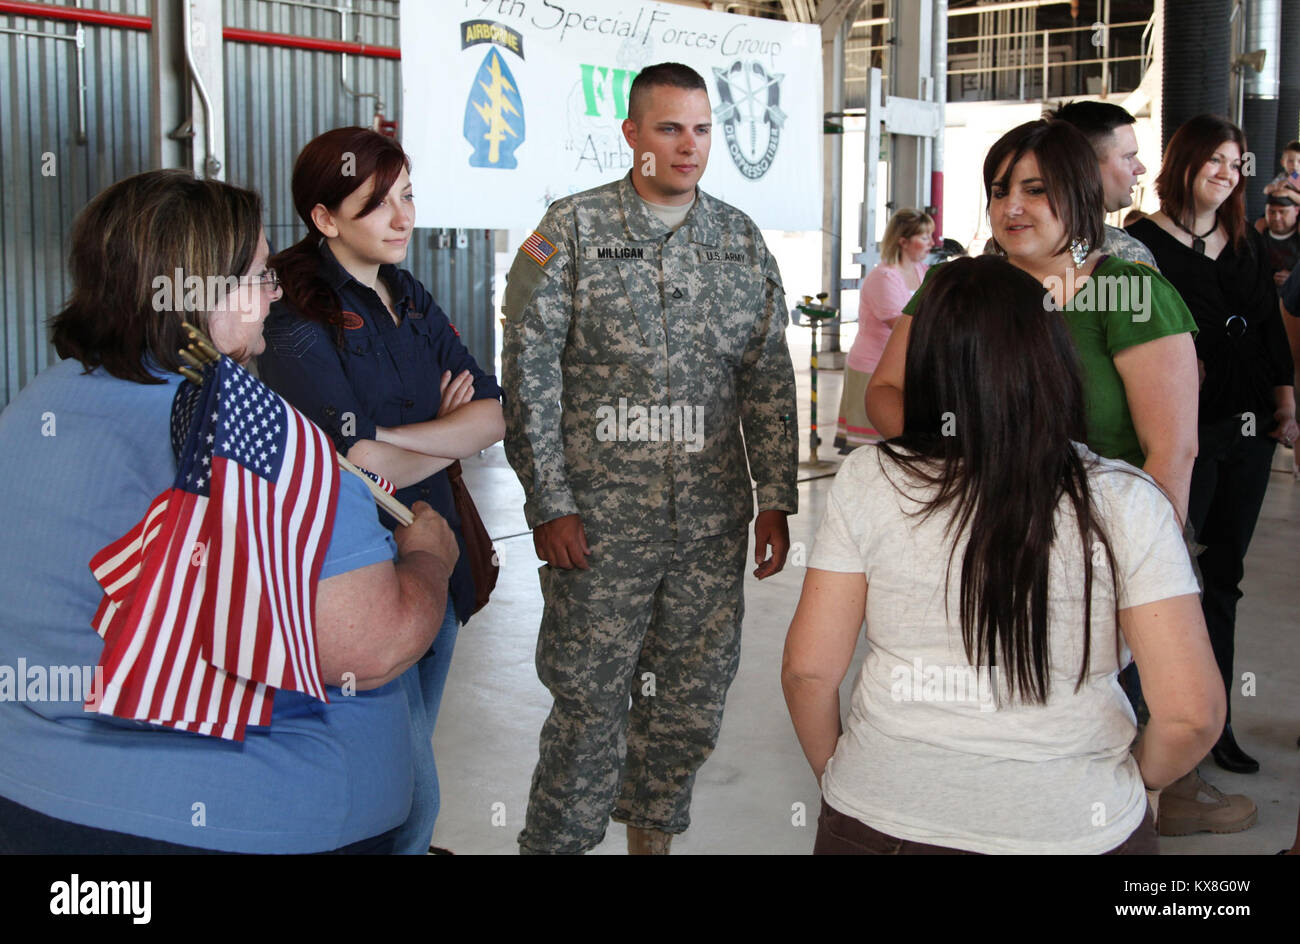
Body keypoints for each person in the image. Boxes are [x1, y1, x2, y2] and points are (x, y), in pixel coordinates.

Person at [0, 170, 458, 853]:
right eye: (260, 277)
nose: (274, 295)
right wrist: (427, 559)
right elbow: (374, 647)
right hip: (246, 823)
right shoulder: (263, 436)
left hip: (34, 800)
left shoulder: (33, 407)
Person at [782, 255, 1224, 855]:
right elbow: (1191, 715)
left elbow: (809, 672)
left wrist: (845, 778)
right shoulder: (1126, 500)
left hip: (883, 818)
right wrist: (1136, 786)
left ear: (928, 362)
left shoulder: (869, 480)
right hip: (1077, 825)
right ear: (1053, 359)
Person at [501, 62, 798, 855]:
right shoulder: (568, 232)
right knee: (589, 707)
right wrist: (550, 503)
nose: (688, 147)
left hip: (709, 527)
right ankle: (555, 847)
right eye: (669, 128)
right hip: (599, 530)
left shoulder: (739, 241)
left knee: (690, 705)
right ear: (631, 134)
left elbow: (768, 375)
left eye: (702, 129)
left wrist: (776, 495)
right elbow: (527, 377)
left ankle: (652, 845)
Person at [257, 127, 504, 855]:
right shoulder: (294, 313)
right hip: (355, 572)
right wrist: (439, 425)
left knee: (412, 746)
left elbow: (492, 410)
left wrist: (407, 435)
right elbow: (352, 461)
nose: (403, 219)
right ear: (324, 218)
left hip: (438, 555)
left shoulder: (405, 292)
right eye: (377, 205)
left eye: (407, 197)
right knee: (404, 784)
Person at [869, 119, 1199, 523]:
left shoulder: (1129, 293)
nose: (1011, 207)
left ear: (1079, 193)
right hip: (968, 523)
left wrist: (1146, 555)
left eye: (1036, 190)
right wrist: (948, 463)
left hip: (1100, 533)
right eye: (999, 191)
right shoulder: (953, 285)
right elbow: (885, 389)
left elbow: (1172, 453)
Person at [1128, 114, 1298, 780]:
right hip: (1178, 433)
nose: (1228, 175)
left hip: (1248, 428)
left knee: (1224, 577)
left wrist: (1284, 403)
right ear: (1186, 164)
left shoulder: (1246, 241)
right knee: (1167, 578)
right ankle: (1160, 719)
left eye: (1237, 165)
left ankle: (1216, 722)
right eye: (1216, 162)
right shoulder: (1140, 243)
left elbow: (1267, 332)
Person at [833, 209, 932, 452]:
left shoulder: (921, 272)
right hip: (873, 367)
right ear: (903, 241)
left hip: (903, 367)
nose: (931, 243)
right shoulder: (883, 277)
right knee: (871, 447)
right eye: (924, 237)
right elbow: (902, 326)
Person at [1050, 100, 1159, 268]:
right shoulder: (1126, 256)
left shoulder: (1010, 246)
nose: (1140, 168)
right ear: (1087, 165)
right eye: (1128, 157)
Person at [1253, 195, 1300, 290]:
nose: (1276, 218)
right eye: (1271, 212)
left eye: (1282, 212)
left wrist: (1294, 279)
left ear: (1296, 211)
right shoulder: (1258, 236)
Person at [1262, 139, 1300, 205]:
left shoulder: (1296, 176)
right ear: (1283, 162)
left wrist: (1288, 192)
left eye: (1299, 161)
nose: (1295, 165)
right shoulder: (1282, 176)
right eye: (1290, 161)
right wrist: (1276, 186)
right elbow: (1266, 190)